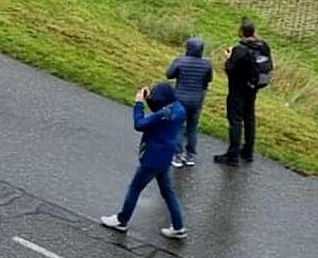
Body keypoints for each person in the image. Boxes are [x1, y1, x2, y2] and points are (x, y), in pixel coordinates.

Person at [100, 82, 189, 239]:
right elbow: (158, 113)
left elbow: (140, 124)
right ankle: (178, 226)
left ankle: (122, 220)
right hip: (166, 157)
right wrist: (150, 100)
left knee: (135, 188)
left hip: (151, 158)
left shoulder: (163, 114)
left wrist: (139, 103)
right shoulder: (178, 109)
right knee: (168, 192)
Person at [214, 21, 271, 165]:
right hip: (253, 86)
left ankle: (232, 155)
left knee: (235, 120)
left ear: (241, 32)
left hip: (238, 89)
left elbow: (230, 69)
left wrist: (228, 58)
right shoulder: (263, 46)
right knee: (249, 118)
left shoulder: (240, 50)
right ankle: (248, 151)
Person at [165, 37, 214, 168]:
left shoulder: (180, 61)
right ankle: (190, 156)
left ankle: (177, 156)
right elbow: (208, 80)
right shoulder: (207, 64)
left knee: (178, 126)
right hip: (197, 100)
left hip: (180, 98)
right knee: (192, 128)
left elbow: (169, 74)